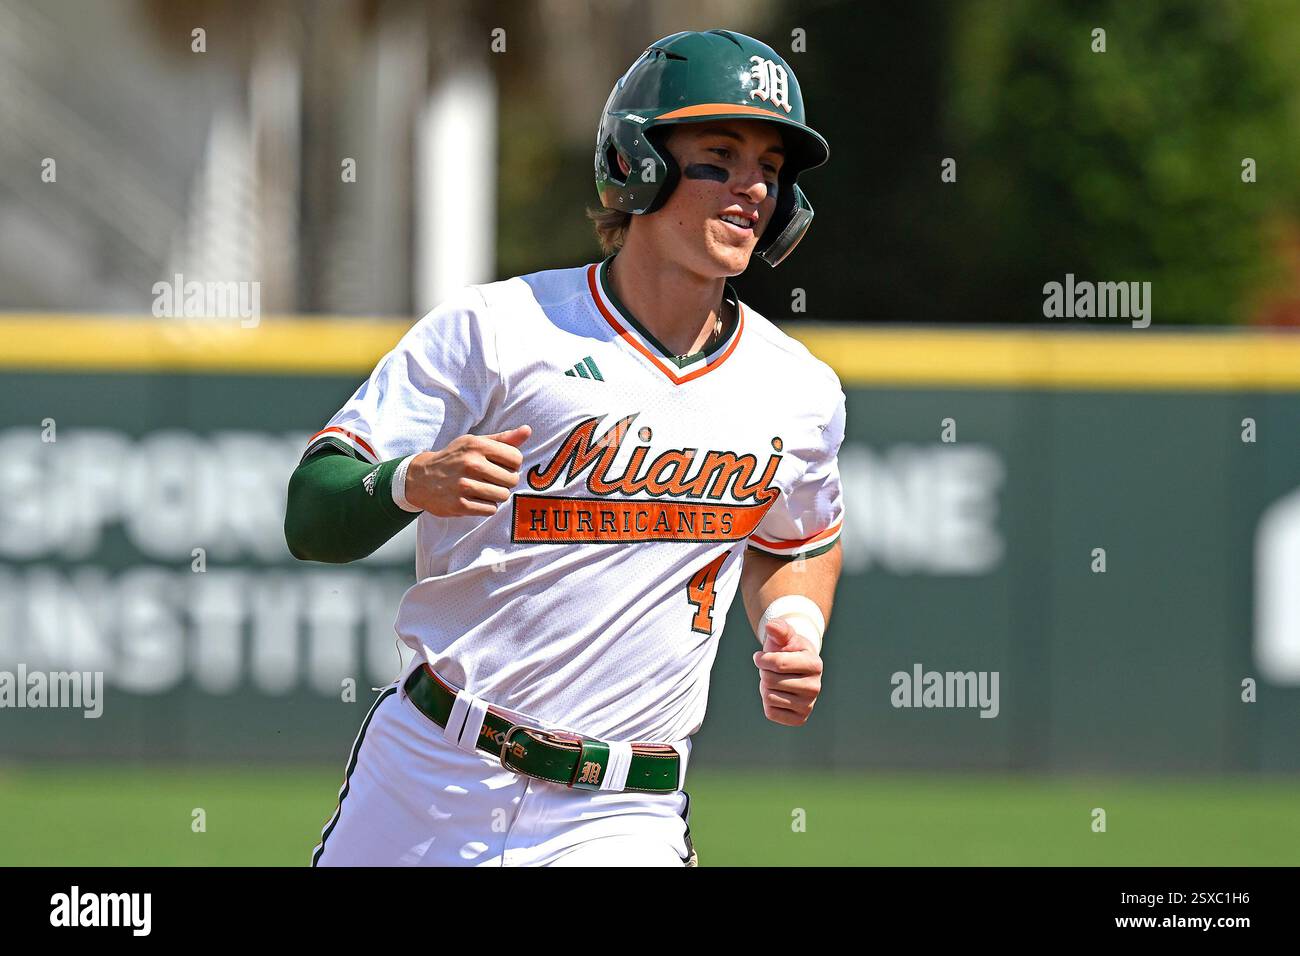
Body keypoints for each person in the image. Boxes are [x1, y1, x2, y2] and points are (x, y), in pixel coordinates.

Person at [285, 28, 845, 867]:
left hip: (623, 811)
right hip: (434, 770)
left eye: (770, 167)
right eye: (719, 157)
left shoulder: (796, 390)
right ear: (638, 163)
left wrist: (795, 623)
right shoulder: (499, 329)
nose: (750, 189)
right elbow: (313, 512)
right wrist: (409, 483)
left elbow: (799, 541)